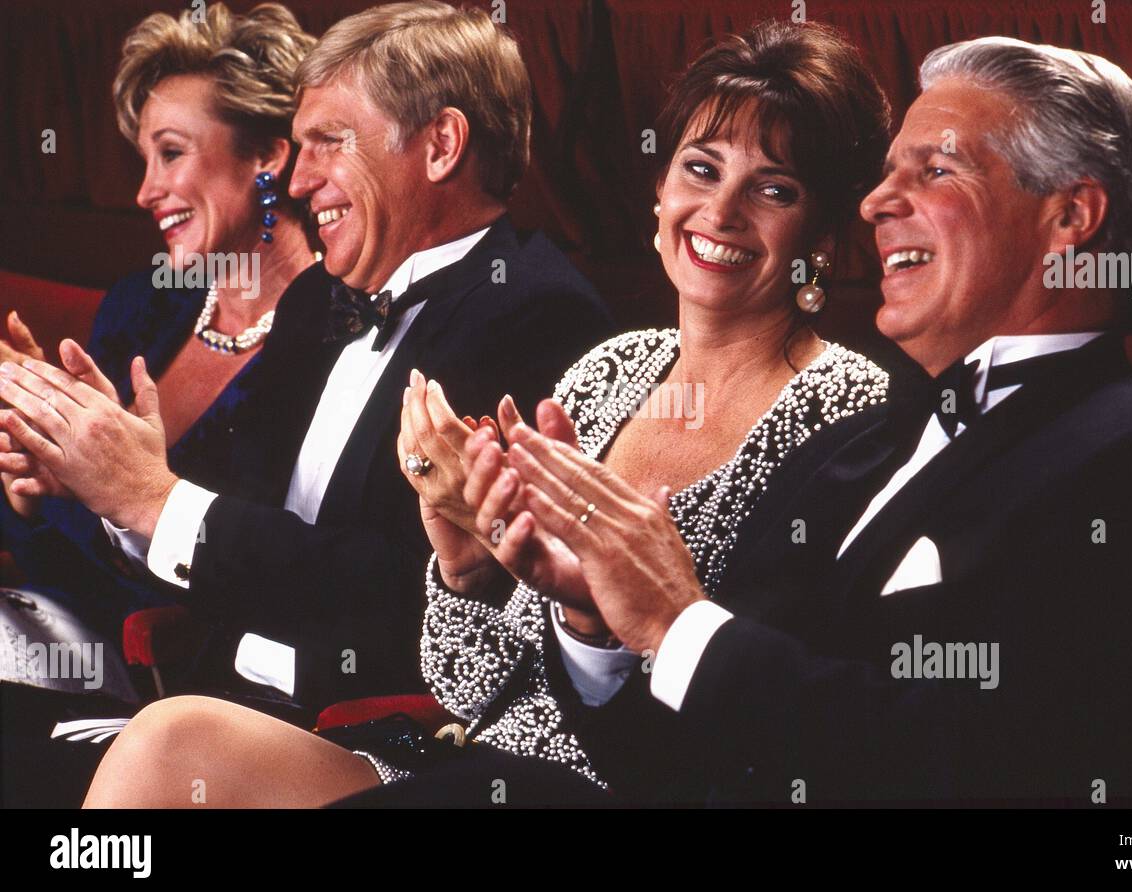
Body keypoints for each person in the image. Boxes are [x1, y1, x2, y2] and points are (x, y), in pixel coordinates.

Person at [354, 38, 1132, 806]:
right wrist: (596, 616)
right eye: (885, 175)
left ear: (1070, 218)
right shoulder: (870, 443)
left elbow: (1007, 767)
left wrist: (680, 625)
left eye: (937, 169)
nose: (878, 203)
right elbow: (666, 767)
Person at [78, 19, 894, 807]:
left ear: (821, 236)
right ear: (660, 191)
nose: (720, 213)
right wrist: (465, 575)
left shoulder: (854, 412)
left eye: (774, 189)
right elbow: (469, 687)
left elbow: (764, 717)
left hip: (623, 787)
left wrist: (592, 622)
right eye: (702, 170)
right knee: (166, 740)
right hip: (471, 760)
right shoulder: (608, 371)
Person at [0, 1, 613, 711]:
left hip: (365, 730)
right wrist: (111, 483)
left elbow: (422, 593)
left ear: (442, 144)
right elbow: (237, 532)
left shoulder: (536, 313)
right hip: (209, 692)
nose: (296, 181)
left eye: (329, 142)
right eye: (300, 144)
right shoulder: (317, 300)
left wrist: (149, 495)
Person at [0, 2, 317, 638]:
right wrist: (32, 488)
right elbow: (64, 574)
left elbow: (275, 580)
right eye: (144, 159)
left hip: (203, 686)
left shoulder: (337, 338)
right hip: (70, 644)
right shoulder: (140, 307)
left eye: (170, 153)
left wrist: (105, 486)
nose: (146, 192)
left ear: (267, 155)